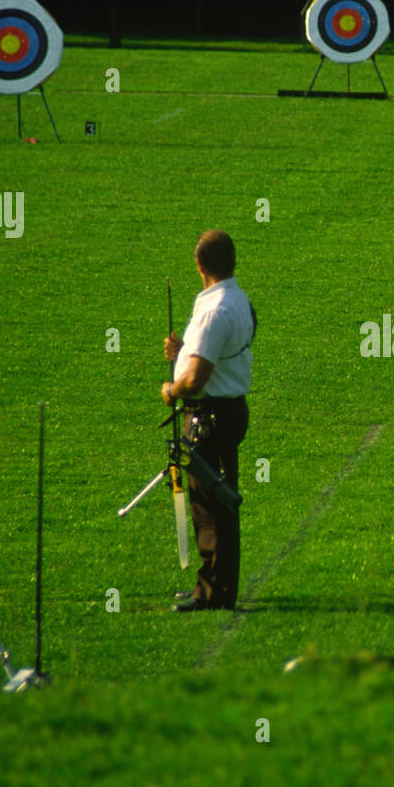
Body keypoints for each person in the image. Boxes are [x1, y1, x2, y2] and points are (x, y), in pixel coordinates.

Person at [161, 230, 255, 612]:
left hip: (209, 418)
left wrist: (171, 389)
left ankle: (214, 593)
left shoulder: (215, 310)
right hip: (227, 412)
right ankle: (213, 586)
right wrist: (185, 352)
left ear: (199, 265)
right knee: (216, 503)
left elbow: (196, 380)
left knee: (211, 506)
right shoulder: (238, 300)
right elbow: (220, 355)